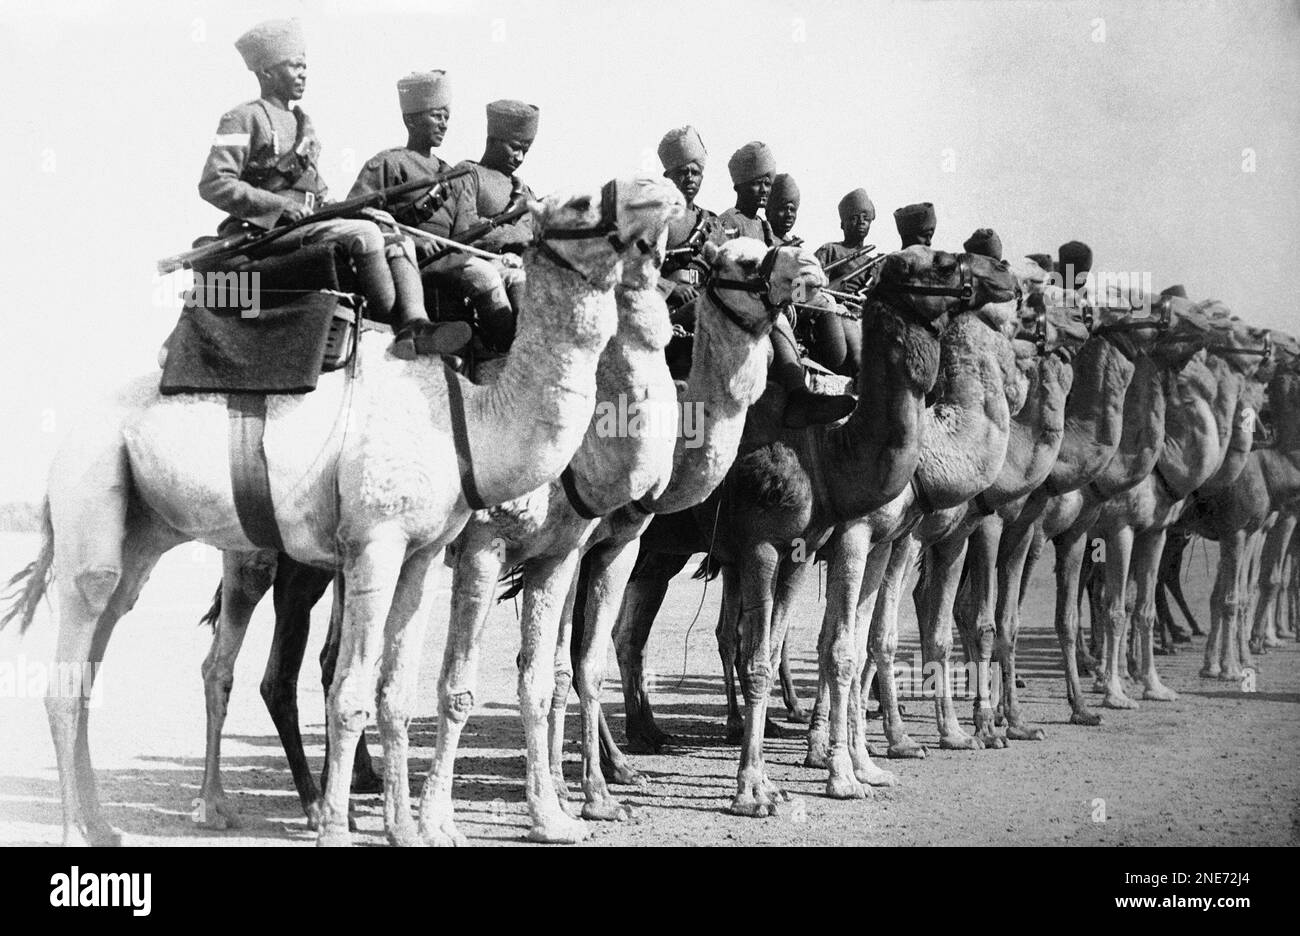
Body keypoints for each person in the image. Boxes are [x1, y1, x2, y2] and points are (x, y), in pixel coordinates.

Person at [198, 19, 464, 358]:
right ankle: (384, 320)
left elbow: (318, 195)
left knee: (391, 231)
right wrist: (278, 207)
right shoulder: (242, 118)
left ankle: (416, 324)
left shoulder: (302, 125)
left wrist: (360, 208)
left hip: (304, 225)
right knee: (366, 235)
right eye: (294, 66)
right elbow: (214, 183)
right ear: (266, 73)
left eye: (305, 65)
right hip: (261, 233)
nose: (303, 73)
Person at [347, 71, 516, 356]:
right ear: (411, 119)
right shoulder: (388, 163)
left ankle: (517, 350)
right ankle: (502, 350)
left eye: (447, 117)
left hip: (451, 257)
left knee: (513, 274)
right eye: (436, 116)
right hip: (408, 262)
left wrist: (501, 253)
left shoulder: (453, 175)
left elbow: (465, 231)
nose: (444, 124)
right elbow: (359, 216)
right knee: (485, 277)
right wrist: (414, 239)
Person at [447, 99, 541, 352]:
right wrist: (508, 244)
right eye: (515, 148)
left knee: (523, 281)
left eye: (526, 151)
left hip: (514, 266)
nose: (520, 158)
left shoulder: (525, 192)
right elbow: (464, 229)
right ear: (492, 141)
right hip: (469, 262)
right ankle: (499, 352)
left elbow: (532, 234)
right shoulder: (467, 173)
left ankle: (524, 352)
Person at [655, 126, 726, 317]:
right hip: (664, 308)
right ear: (667, 177)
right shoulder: (656, 217)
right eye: (682, 172)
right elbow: (632, 268)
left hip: (706, 301)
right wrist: (670, 289)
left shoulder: (713, 223)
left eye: (695, 173)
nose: (689, 178)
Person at [718, 142, 777, 244]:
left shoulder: (764, 225)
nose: (764, 190)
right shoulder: (729, 221)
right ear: (738, 188)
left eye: (767, 184)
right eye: (756, 183)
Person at [765, 173, 802, 246]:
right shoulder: (757, 236)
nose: (789, 215)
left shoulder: (794, 246)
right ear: (768, 212)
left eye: (793, 210)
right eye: (783, 209)